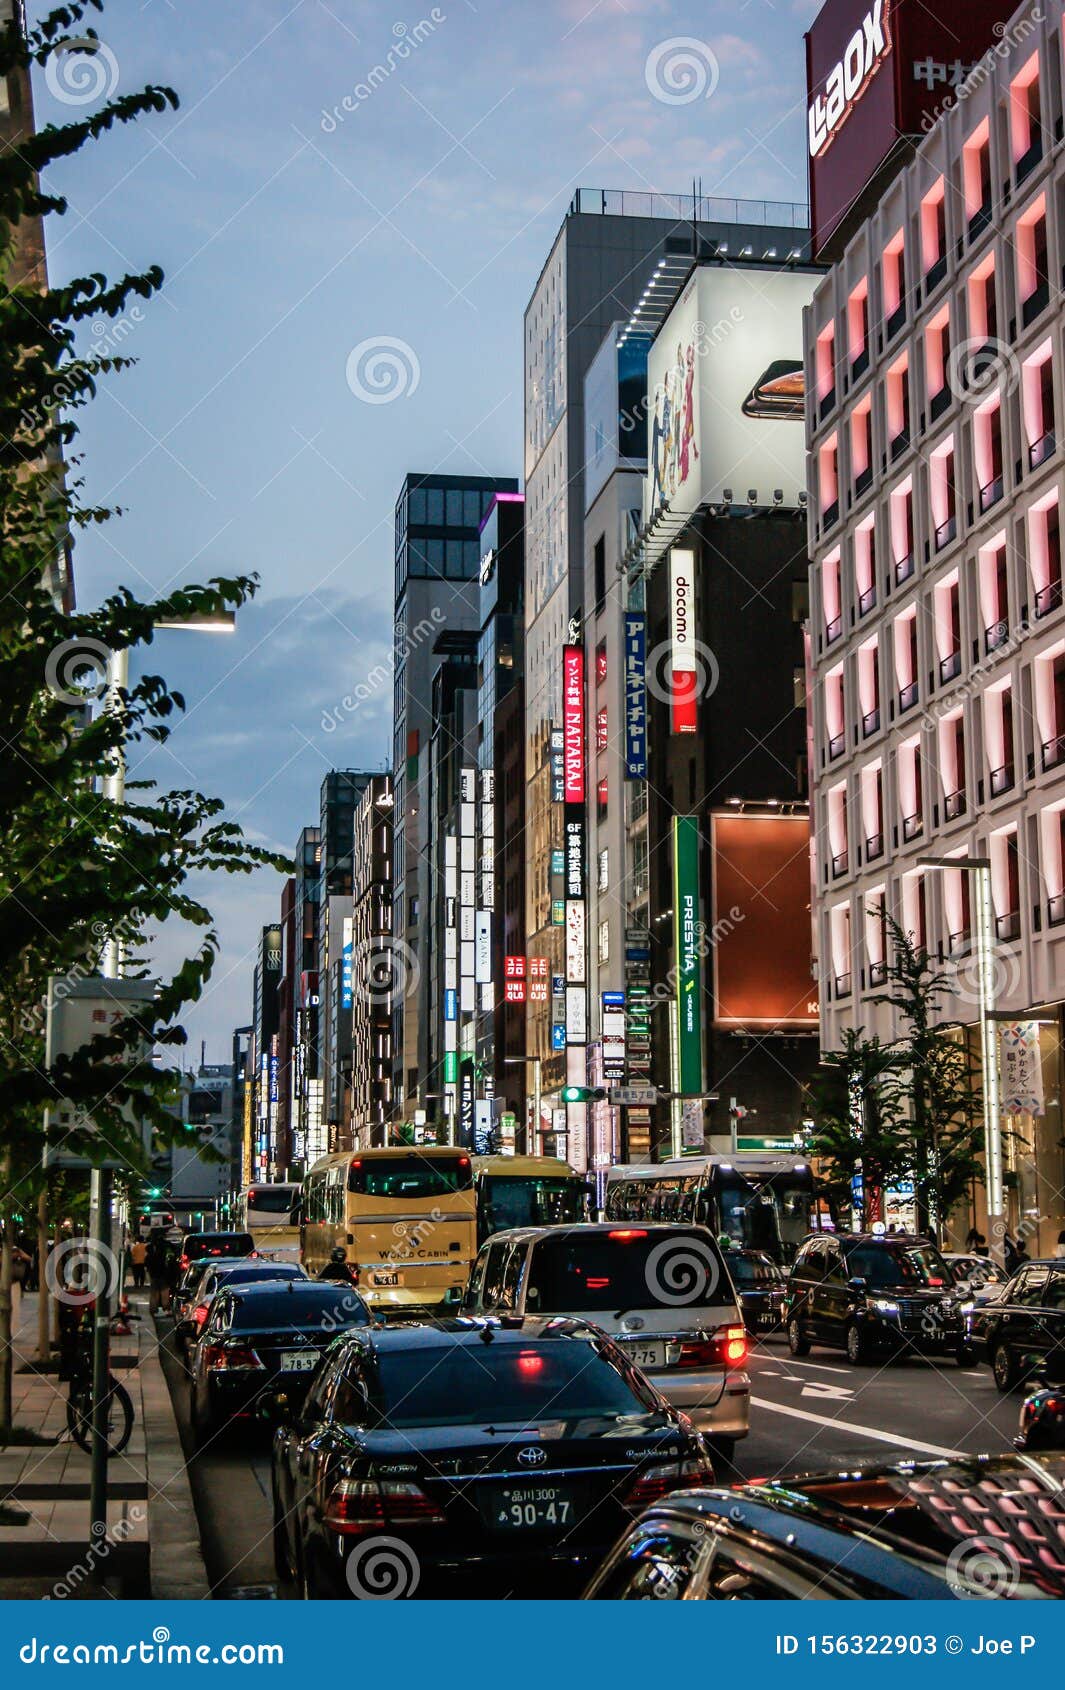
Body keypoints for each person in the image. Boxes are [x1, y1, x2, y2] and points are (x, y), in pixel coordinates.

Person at [145, 1229, 171, 1315]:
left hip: (154, 1272)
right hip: (164, 1272)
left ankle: (153, 1309)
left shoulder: (150, 1249)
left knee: (154, 1291)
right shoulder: (166, 1247)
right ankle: (166, 1308)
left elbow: (147, 1261)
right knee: (164, 1291)